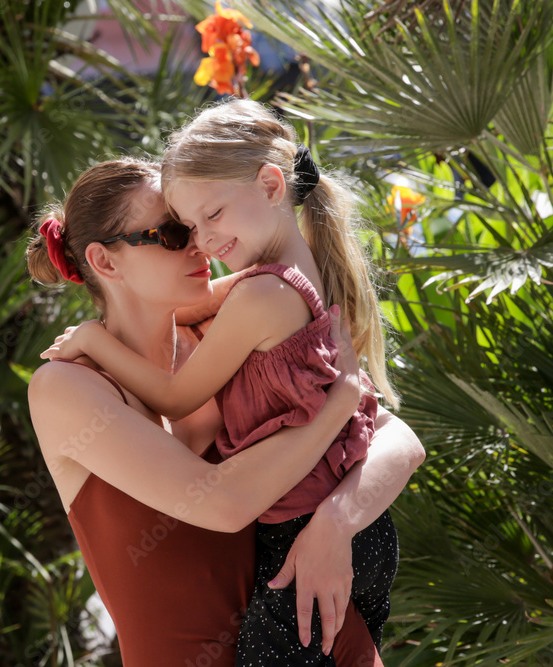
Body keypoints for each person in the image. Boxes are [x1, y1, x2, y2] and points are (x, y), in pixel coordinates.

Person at [40, 99, 402, 666]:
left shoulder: (226, 332)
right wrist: (336, 409)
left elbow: (399, 441)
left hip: (317, 638)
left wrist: (334, 524)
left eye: (200, 222)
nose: (199, 244)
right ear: (104, 263)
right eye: (169, 232)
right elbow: (225, 503)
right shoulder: (67, 384)